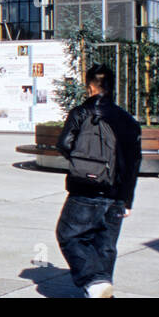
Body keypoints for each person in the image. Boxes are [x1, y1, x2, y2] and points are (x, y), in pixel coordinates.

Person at [54, 64, 142, 298]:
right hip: (116, 195)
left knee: (69, 235)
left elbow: (64, 144)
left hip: (85, 190)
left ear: (90, 87)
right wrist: (127, 199)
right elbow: (134, 163)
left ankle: (94, 283)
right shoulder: (127, 120)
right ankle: (100, 291)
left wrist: (84, 164)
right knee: (105, 245)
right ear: (111, 87)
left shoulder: (81, 113)